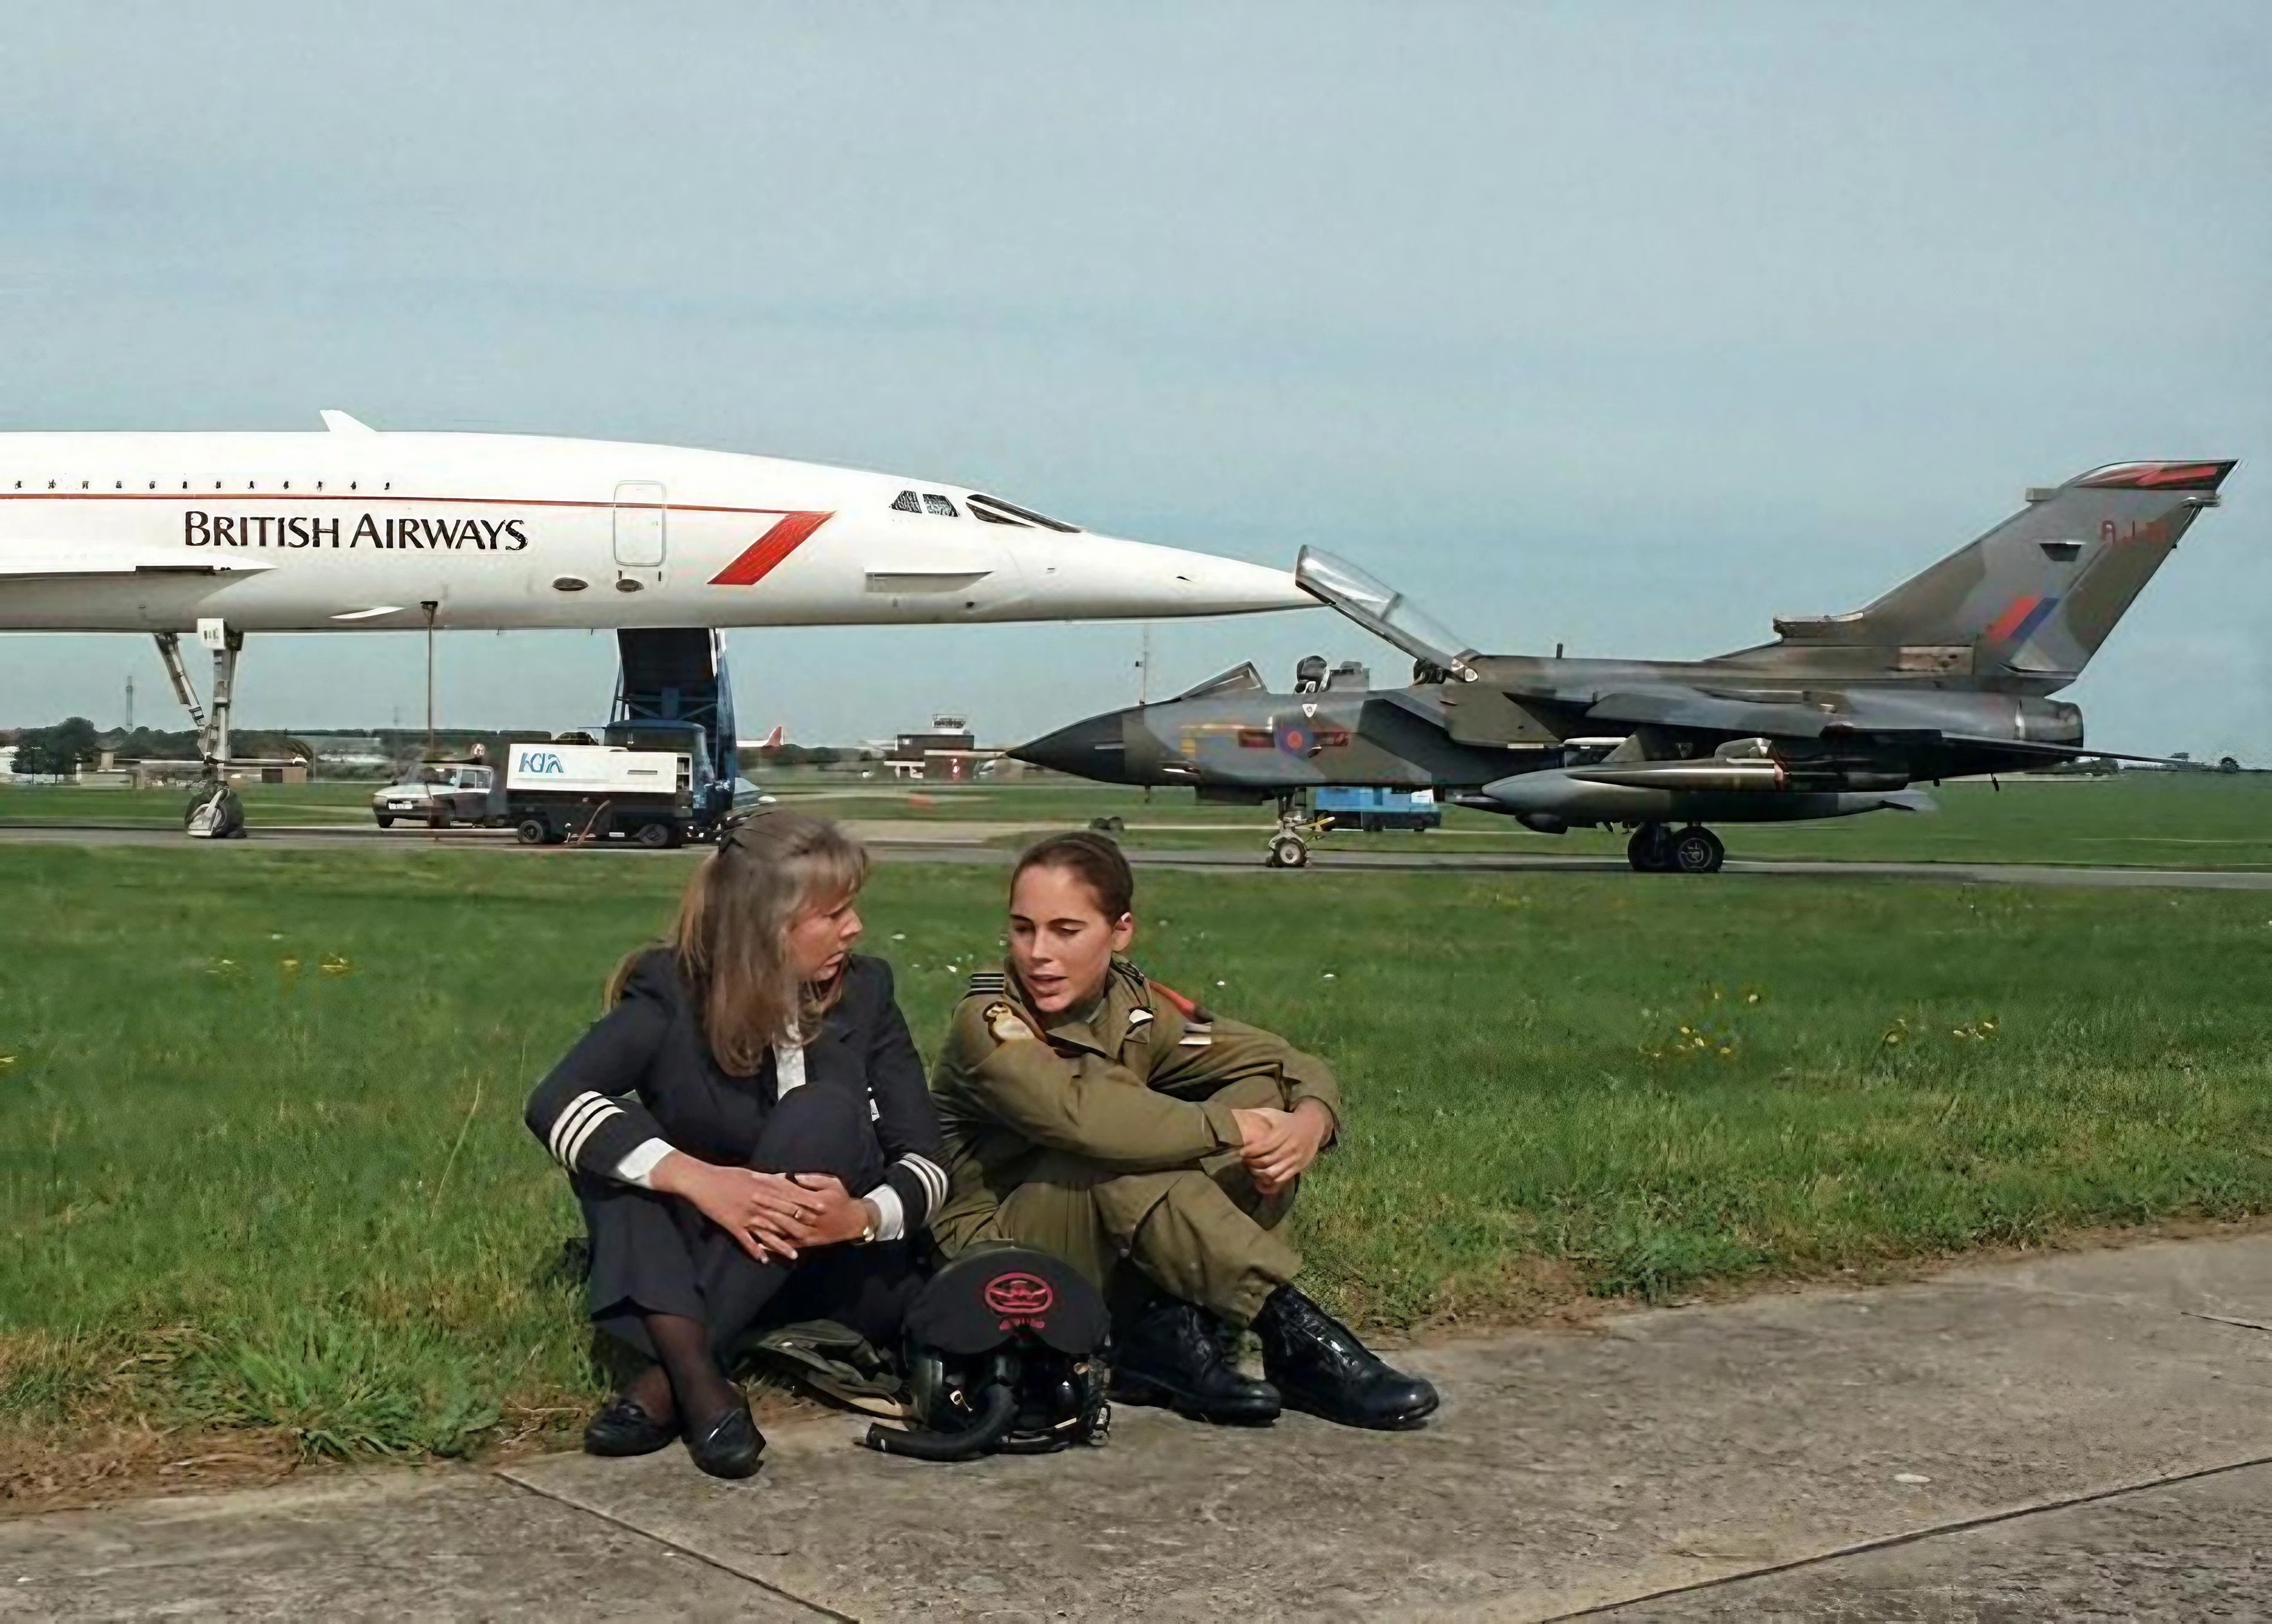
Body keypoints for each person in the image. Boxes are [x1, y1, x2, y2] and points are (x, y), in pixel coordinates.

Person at [928, 831, 1437, 1430]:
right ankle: (1290, 1330)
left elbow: (1275, 1060)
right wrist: (1231, 1128)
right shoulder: (991, 1021)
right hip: (998, 1247)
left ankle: (1166, 1336)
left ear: (1119, 933)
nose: (1038, 952)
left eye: (1065, 931)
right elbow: (1085, 1120)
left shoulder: (1134, 1004)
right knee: (1123, 1155)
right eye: (1022, 928)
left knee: (1260, 1097)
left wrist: (1309, 1121)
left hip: (1097, 1234)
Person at [524, 812, 948, 1478]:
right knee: (624, 1156)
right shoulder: (670, 990)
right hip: (720, 1252)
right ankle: (706, 1381)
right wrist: (695, 1178)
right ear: (768, 923)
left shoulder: (866, 994)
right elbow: (555, 1101)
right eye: (833, 913)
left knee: (825, 1115)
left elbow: (927, 1161)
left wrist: (863, 1218)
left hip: (835, 1271)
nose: (854, 928)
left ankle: (673, 1383)